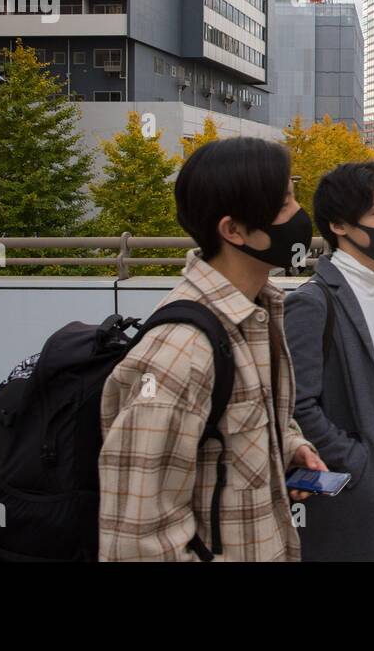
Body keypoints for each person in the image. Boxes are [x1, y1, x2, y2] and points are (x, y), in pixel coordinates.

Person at [98, 137, 328, 561]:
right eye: (283, 206)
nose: (300, 217)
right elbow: (135, 540)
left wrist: (289, 445)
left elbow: (236, 427)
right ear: (233, 230)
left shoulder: (259, 312)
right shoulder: (179, 355)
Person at [284, 161, 374, 561]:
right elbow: (296, 404)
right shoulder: (311, 303)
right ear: (339, 225)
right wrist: (356, 461)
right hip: (353, 497)